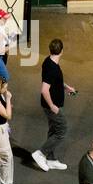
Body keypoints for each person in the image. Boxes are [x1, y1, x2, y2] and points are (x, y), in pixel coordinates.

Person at [31, 38, 73, 172]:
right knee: (62, 129)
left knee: (53, 130)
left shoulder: (48, 61)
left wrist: (65, 87)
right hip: (51, 106)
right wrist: (52, 106)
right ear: (62, 51)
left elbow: (54, 81)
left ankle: (51, 159)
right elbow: (44, 90)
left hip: (51, 104)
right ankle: (41, 153)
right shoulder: (52, 68)